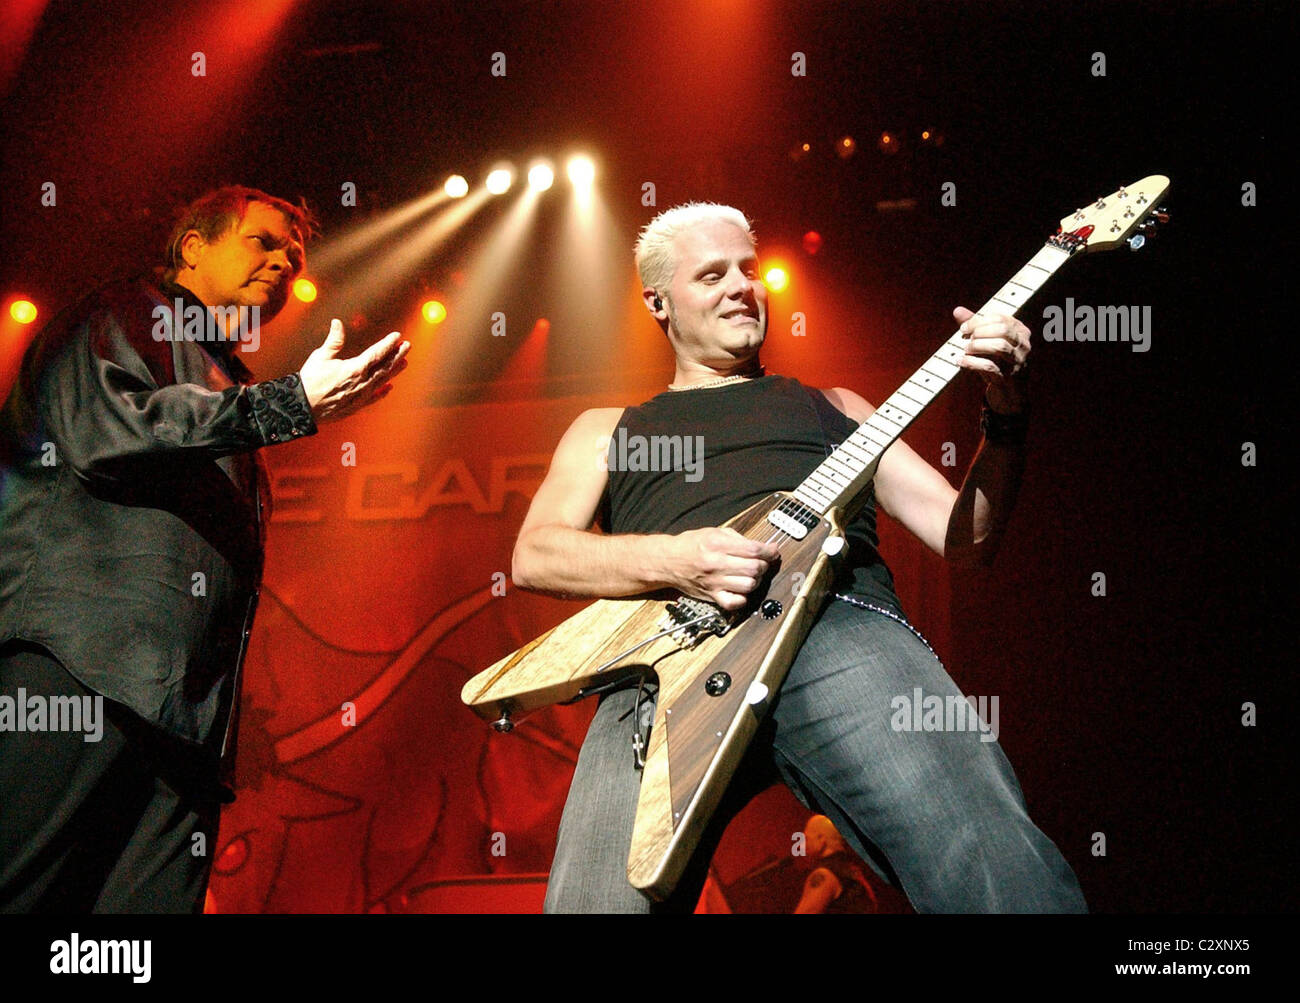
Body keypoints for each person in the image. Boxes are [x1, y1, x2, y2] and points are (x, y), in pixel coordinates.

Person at [511, 202, 1087, 913]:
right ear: (657, 302)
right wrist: (679, 558)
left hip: (839, 629)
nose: (741, 287)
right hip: (660, 674)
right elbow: (536, 554)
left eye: (749, 270)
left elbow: (964, 536)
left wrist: (1005, 413)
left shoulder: (839, 407)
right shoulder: (609, 430)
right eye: (712, 274)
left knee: (990, 856)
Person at [0, 185, 409, 913]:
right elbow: (105, 433)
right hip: (78, 671)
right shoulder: (123, 313)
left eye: (295, 254)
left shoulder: (229, 380)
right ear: (194, 246)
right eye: (265, 241)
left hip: (181, 726)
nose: (285, 261)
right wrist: (286, 404)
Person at [793, 814, 878, 914]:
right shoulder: (853, 872)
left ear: (821, 839)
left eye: (807, 838)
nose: (803, 845)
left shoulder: (825, 874)